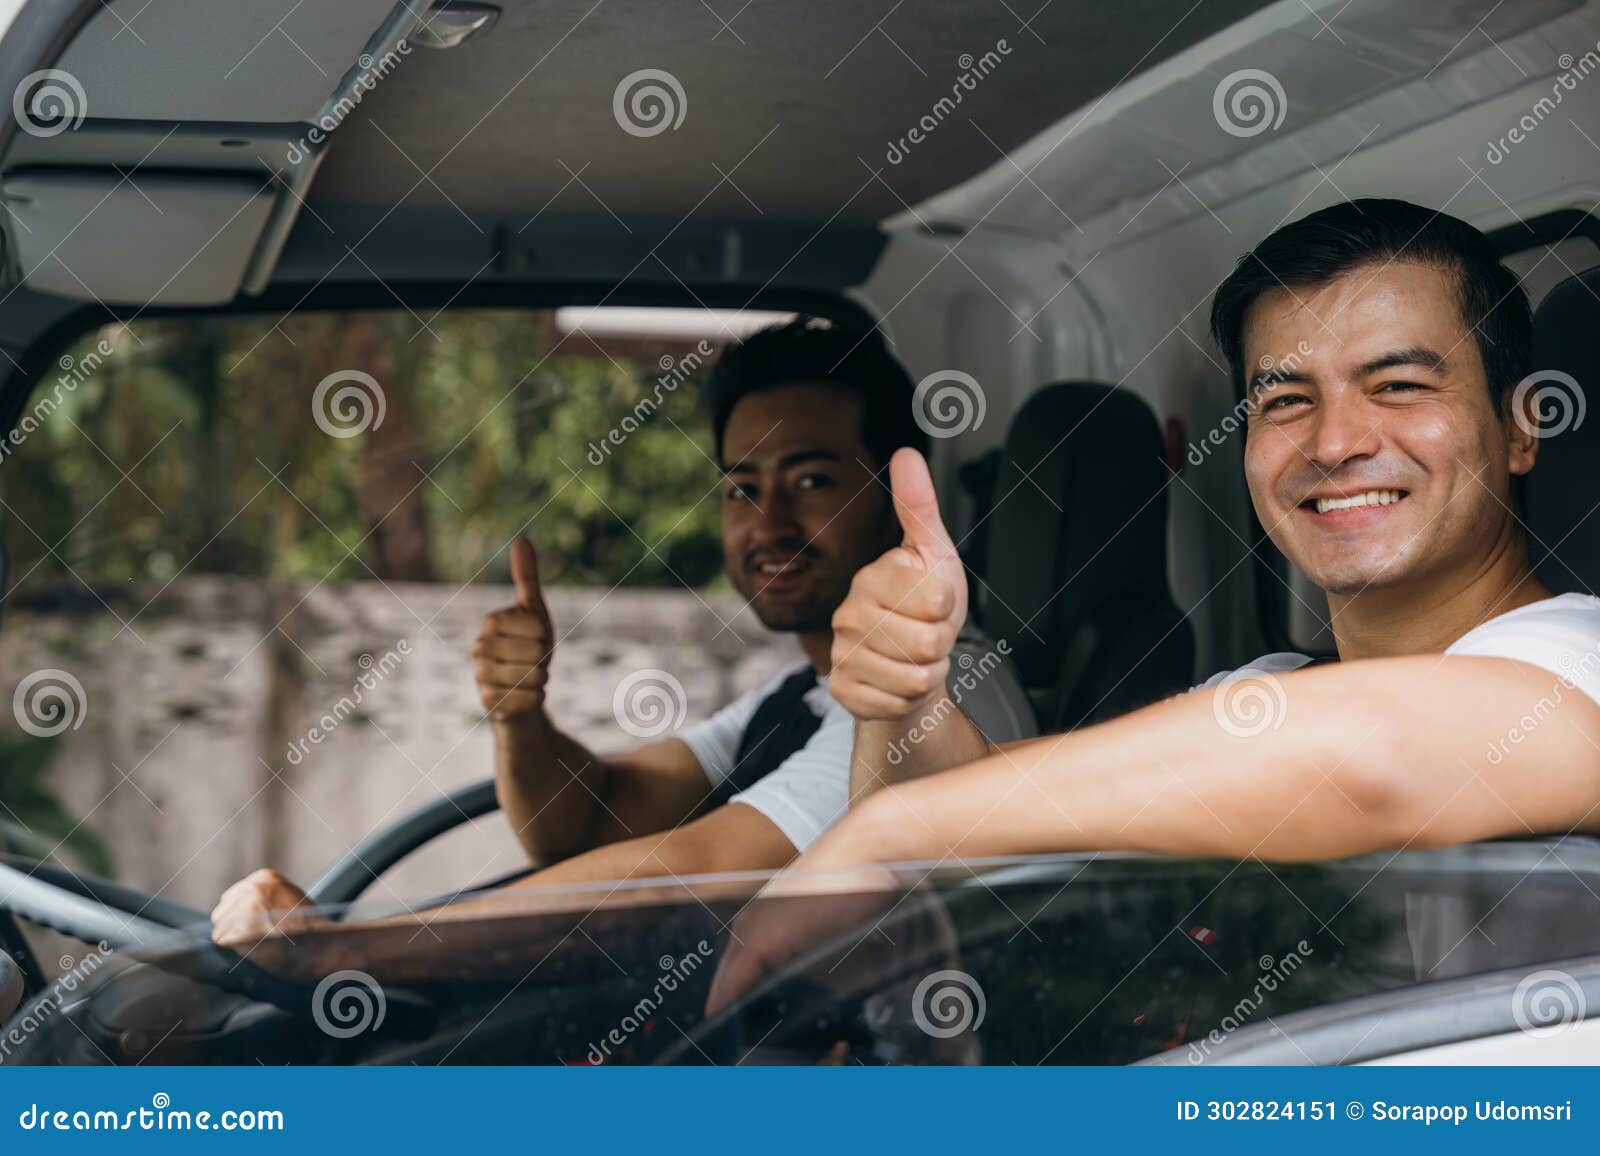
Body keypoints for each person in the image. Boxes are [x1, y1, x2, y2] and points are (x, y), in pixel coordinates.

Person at [705, 198, 1600, 1012]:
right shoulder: (1272, 688)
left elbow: (1378, 760)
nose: (1334, 442)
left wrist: (892, 830)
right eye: (1285, 400)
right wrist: (903, 690)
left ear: (1522, 426)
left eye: (1399, 386)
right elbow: (971, 842)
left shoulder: (1576, 660)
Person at [211, 317, 1033, 946]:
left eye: (812, 479)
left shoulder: (941, 684)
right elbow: (589, 822)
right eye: (742, 488)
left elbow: (699, 873)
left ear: (896, 495)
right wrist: (519, 717)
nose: (769, 522)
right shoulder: (792, 696)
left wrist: (352, 953)